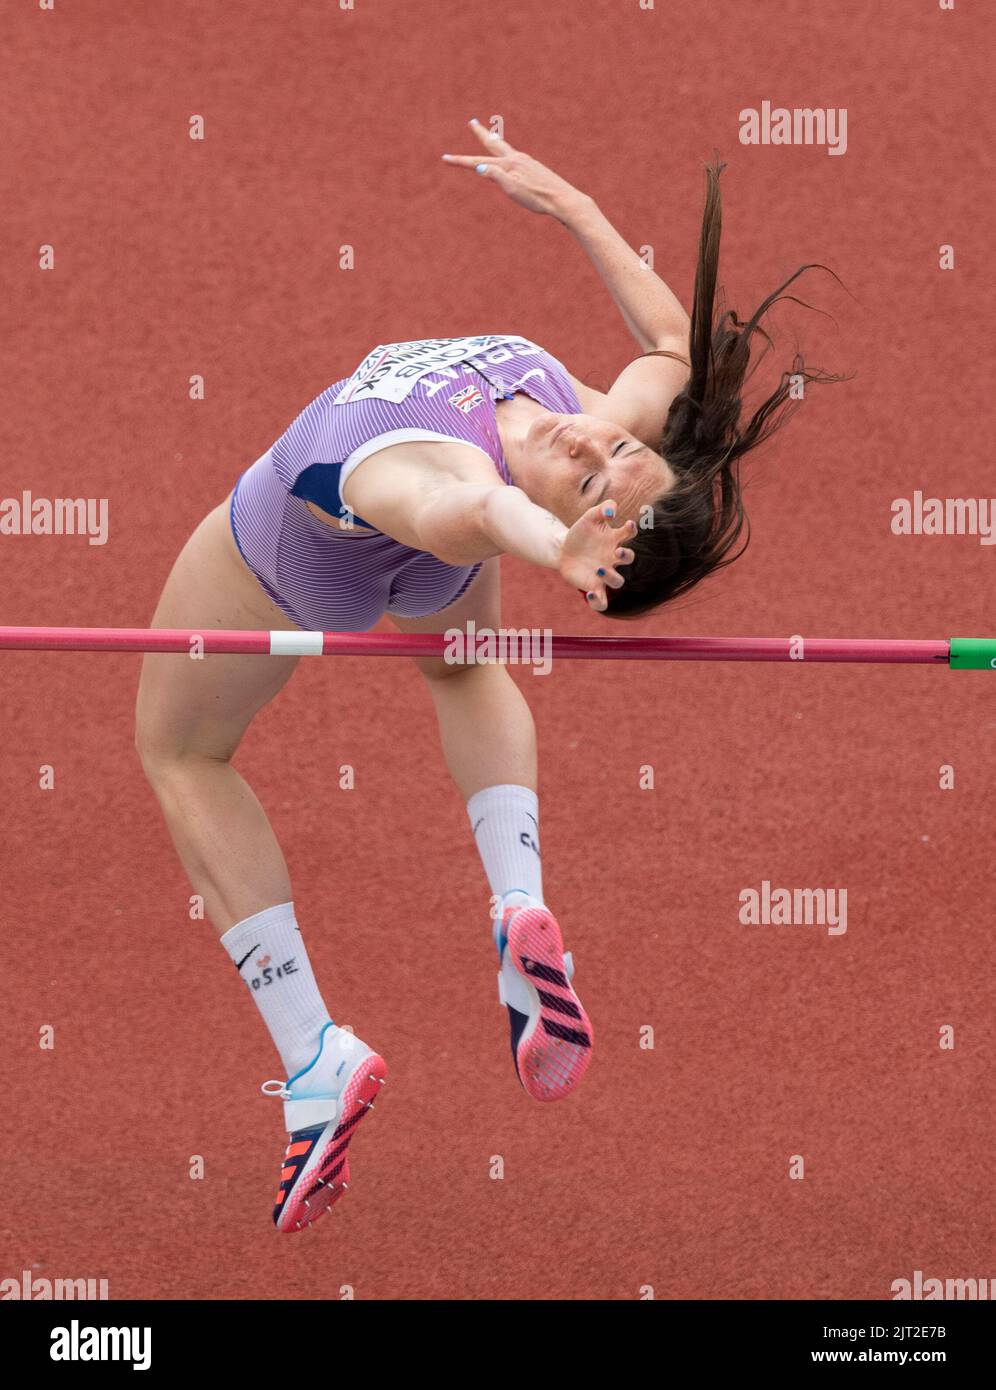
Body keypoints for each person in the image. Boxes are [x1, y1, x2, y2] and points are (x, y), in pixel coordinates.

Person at [135, 120, 839, 1233]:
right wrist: (570, 205)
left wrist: (543, 541)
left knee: (178, 750)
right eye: (617, 448)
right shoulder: (592, 418)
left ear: (576, 527)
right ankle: (520, 909)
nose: (590, 443)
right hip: (444, 557)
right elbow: (669, 340)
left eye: (595, 482)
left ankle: (316, 1053)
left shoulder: (451, 479)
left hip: (302, 545)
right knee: (467, 672)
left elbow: (464, 511)